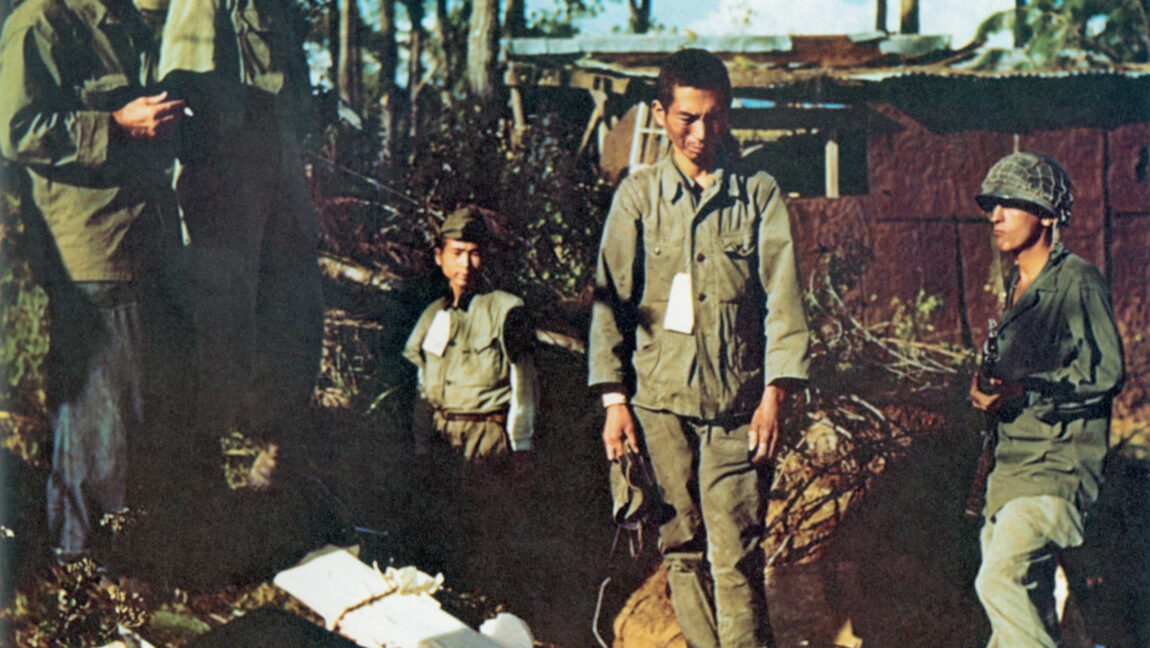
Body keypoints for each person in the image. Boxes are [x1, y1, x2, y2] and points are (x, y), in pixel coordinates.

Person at [588, 48, 810, 648]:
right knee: (681, 548)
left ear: (728, 114)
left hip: (738, 408)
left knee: (736, 553)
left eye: (713, 117)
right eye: (687, 117)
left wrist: (775, 395)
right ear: (662, 114)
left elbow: (784, 303)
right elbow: (611, 304)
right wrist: (614, 401)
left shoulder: (759, 195)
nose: (700, 132)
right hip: (659, 407)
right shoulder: (637, 198)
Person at [0, 0, 186, 560]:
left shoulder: (124, 20)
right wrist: (114, 126)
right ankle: (85, 561)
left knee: (125, 411)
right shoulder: (41, 22)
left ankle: (111, 550)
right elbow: (15, 128)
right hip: (91, 249)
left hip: (139, 240)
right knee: (97, 419)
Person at [157, 0, 324, 486]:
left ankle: (277, 453)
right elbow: (181, 82)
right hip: (223, 166)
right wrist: (204, 166)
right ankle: (202, 463)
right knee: (219, 320)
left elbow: (288, 88)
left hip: (279, 159)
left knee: (298, 307)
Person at [969, 151, 1124, 647]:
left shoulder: (1077, 280)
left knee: (998, 580)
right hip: (1011, 473)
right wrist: (988, 391)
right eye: (993, 205)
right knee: (1019, 615)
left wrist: (1027, 389)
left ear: (1048, 214)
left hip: (1056, 472)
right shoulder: (1015, 286)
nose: (996, 216)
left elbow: (1105, 373)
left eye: (1011, 204)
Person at [403, 205, 537, 466]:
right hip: (441, 442)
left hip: (487, 439)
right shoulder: (432, 315)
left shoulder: (506, 310)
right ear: (440, 257)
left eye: (474, 254)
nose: (465, 263)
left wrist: (522, 445)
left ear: (486, 257)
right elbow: (423, 384)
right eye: (457, 253)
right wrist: (421, 446)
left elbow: (524, 382)